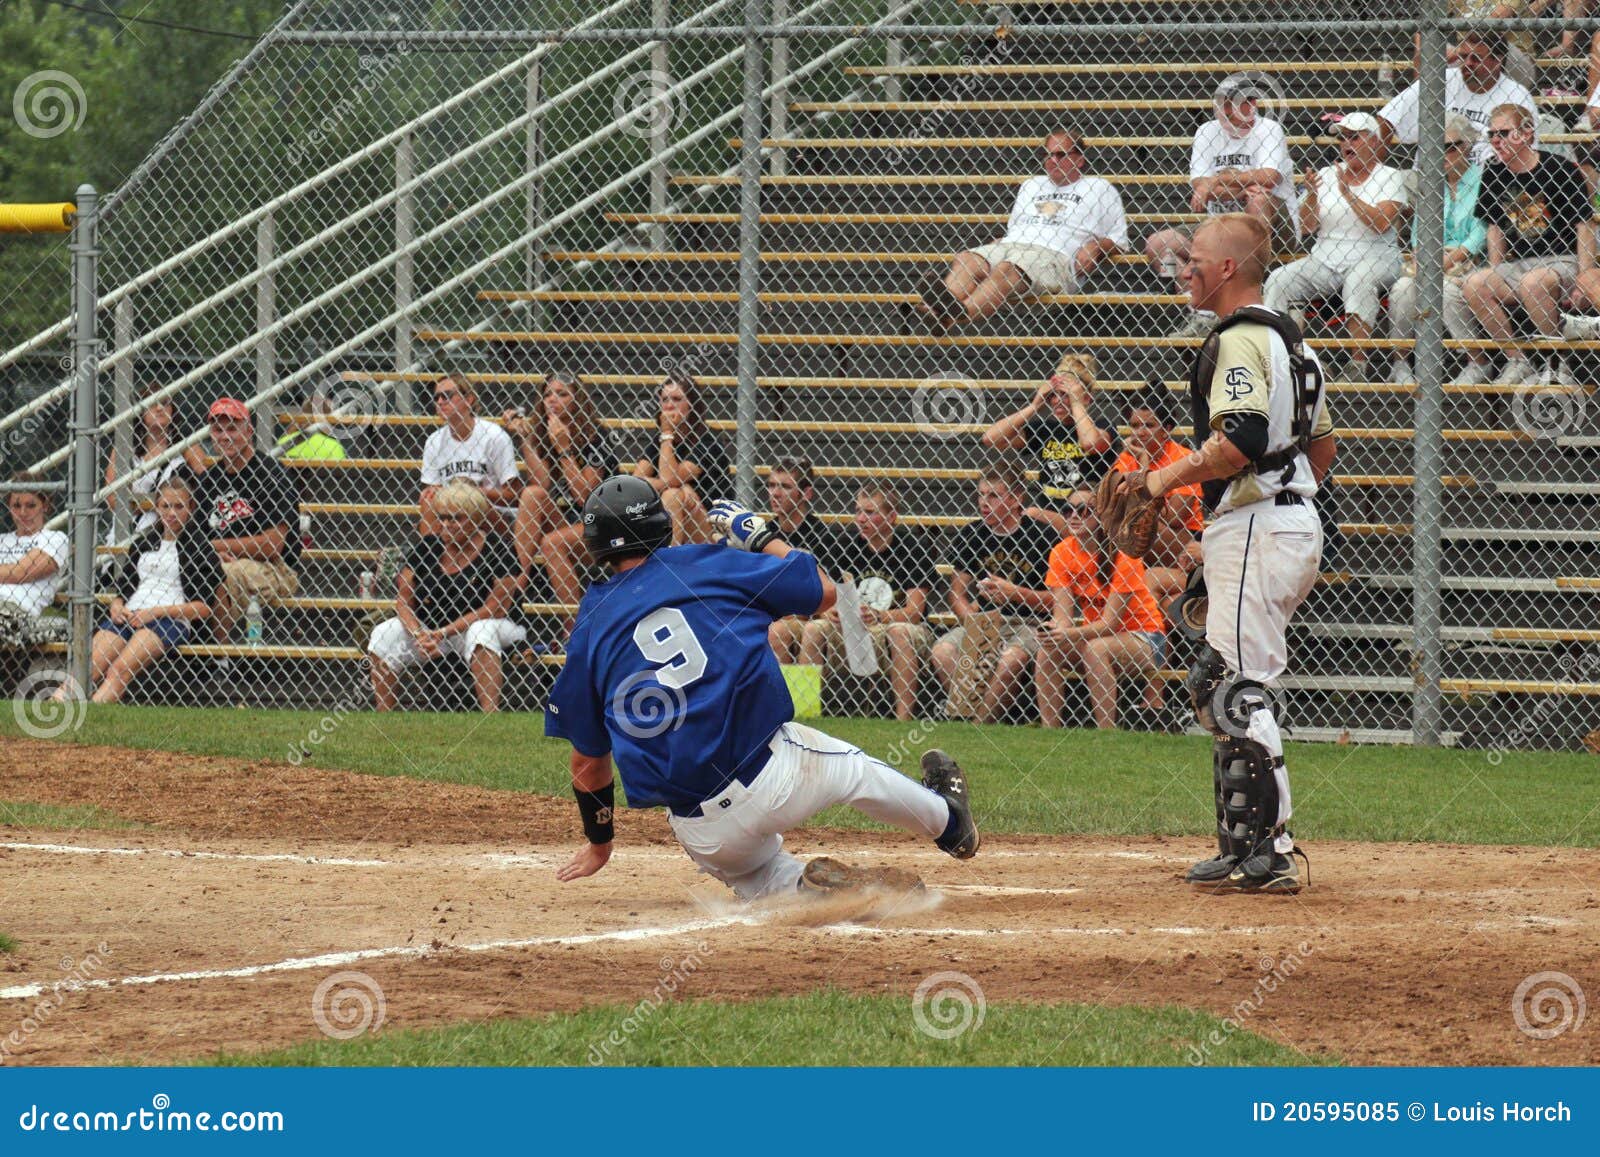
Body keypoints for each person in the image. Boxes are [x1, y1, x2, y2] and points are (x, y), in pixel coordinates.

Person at [544, 474, 979, 900]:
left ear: (596, 542)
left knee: (754, 875)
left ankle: (797, 888)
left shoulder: (590, 625)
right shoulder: (704, 563)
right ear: (661, 524)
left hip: (701, 831)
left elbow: (588, 763)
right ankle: (949, 823)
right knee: (855, 771)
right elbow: (826, 594)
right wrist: (760, 535)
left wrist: (599, 843)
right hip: (773, 775)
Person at [1138, 212, 1335, 895]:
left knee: (1237, 685)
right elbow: (1323, 447)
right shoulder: (1295, 342)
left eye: (1195, 258)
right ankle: (1241, 842)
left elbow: (1242, 437)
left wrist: (1162, 479)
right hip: (1276, 519)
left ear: (1227, 269)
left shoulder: (1241, 338)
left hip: (1260, 523)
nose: (1184, 268)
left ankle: (1272, 851)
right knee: (1213, 681)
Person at [916, 130, 1128, 331]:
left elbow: (1119, 240)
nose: (1053, 160)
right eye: (1047, 155)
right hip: (1014, 245)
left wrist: (1098, 246)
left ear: (1080, 160)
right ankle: (938, 313)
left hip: (1055, 256)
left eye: (1061, 154)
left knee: (1007, 270)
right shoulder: (1030, 185)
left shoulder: (1100, 187)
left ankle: (953, 315)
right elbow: (1016, 227)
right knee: (967, 258)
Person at [1145, 77, 1298, 339]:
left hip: (1272, 228)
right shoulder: (1207, 131)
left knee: (1258, 197)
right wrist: (1238, 182)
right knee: (1160, 244)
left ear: (1252, 104)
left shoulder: (1269, 129)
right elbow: (1199, 184)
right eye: (1221, 106)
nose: (1224, 114)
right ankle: (1202, 312)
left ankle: (1249, 297)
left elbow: (1269, 178)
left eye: (1231, 106)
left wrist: (1217, 181)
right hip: (1218, 226)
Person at [1264, 112, 1409, 383]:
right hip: (1326, 258)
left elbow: (1380, 223)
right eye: (1343, 138)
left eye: (1355, 137)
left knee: (1359, 279)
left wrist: (1348, 194)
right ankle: (1285, 360)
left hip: (1377, 255)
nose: (1346, 144)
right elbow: (1307, 226)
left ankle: (1357, 364)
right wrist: (1313, 196)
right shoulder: (1326, 174)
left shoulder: (1389, 176)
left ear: (1375, 142)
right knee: (1279, 279)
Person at [367, 481, 527, 713]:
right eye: (442, 518)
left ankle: (491, 715)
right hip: (431, 631)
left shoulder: (498, 548)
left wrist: (442, 633)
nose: (446, 525)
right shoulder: (428, 546)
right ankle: (383, 713)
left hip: (493, 627)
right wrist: (419, 633)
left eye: (456, 518)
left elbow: (495, 608)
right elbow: (403, 599)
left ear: (475, 519)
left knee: (481, 631)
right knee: (384, 632)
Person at [1462, 103, 1594, 385]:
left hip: (1562, 258)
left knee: (1533, 282)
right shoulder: (1494, 172)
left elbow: (1584, 225)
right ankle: (1517, 359)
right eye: (1492, 134)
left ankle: (1557, 364)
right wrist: (1496, 271)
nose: (1496, 141)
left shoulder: (1559, 169)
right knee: (1475, 283)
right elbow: (1495, 228)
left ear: (1527, 133)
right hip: (1520, 263)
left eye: (1504, 133)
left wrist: (1584, 275)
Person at [929, 467, 1061, 724]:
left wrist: (1016, 594)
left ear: (1015, 499)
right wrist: (972, 620)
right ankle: (970, 716)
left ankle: (978, 723)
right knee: (943, 651)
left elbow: (1058, 600)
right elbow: (956, 593)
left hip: (1029, 623)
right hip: (985, 620)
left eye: (994, 496)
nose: (984, 503)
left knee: (1012, 657)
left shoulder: (1042, 535)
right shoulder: (972, 534)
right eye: (981, 495)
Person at [797, 483, 936, 721]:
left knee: (899, 632)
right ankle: (803, 712)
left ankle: (903, 719)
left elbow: (915, 612)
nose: (861, 519)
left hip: (895, 627)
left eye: (870, 512)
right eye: (858, 511)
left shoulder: (914, 548)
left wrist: (881, 616)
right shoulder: (844, 545)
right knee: (812, 629)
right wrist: (829, 612)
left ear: (891, 516)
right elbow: (824, 596)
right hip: (851, 627)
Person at [1035, 489, 1169, 730]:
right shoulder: (1061, 552)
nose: (1074, 516)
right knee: (1049, 649)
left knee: (1095, 649)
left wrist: (1068, 634)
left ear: (1102, 516)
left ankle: (1106, 731)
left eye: (1083, 511)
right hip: (1096, 637)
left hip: (1145, 638)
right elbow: (1062, 618)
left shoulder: (1124, 553)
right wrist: (1052, 632)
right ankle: (1049, 730)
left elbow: (1111, 624)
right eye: (1068, 510)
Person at [80, 477, 221, 705]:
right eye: (166, 506)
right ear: (157, 507)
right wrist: (116, 607)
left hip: (166, 620)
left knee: (119, 669)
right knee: (87, 669)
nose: (171, 513)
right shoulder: (144, 542)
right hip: (131, 614)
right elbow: (123, 589)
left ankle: (87, 720)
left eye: (179, 506)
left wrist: (155, 612)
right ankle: (52, 721)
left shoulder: (200, 548)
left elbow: (203, 608)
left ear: (191, 509)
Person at [1386, 116, 1489, 384]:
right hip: (1433, 256)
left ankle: (1477, 361)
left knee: (1448, 292)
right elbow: (1420, 231)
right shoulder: (1432, 184)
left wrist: (1451, 258)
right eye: (1436, 146)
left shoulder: (1484, 180)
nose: (1443, 154)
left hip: (1471, 258)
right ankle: (1400, 364)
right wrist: (1425, 259)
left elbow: (1481, 231)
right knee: (1402, 290)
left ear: (1467, 146)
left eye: (1451, 146)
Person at [189, 399, 301, 645]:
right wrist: (211, 553)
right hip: (218, 559)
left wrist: (215, 549)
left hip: (274, 567)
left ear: (249, 431)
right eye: (218, 430)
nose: (225, 436)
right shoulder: (209, 479)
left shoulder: (272, 474)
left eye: (232, 428)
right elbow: (192, 537)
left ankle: (218, 655)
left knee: (226, 571)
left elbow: (272, 545)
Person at [504, 371, 617, 613]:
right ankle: (516, 584)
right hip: (565, 520)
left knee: (552, 543)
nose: (552, 400)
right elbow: (541, 484)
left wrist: (564, 449)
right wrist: (526, 440)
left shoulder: (596, 437)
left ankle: (573, 627)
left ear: (577, 402)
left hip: (601, 524)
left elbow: (585, 497)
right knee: (532, 495)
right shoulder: (545, 433)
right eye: (547, 395)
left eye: (562, 394)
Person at [981, 351, 1116, 522]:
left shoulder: (1102, 426)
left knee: (1032, 514)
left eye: (1065, 395)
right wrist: (1034, 405)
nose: (1057, 401)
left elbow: (1091, 444)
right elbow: (991, 438)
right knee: (1031, 516)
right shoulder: (1046, 429)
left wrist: (1076, 402)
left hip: (1086, 516)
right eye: (1053, 394)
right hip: (1050, 514)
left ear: (1086, 398)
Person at [1379, 30, 1537, 165]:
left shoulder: (1517, 95)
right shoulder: (1440, 81)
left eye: (1476, 58)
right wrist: (1375, 170)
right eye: (1463, 56)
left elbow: (1529, 150)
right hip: (1432, 181)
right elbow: (1386, 119)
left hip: (1487, 183)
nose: (1467, 63)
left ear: (1497, 60)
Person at [1113, 383, 1205, 616]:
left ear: (1166, 429)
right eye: (1135, 425)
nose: (1140, 432)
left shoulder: (1184, 458)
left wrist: (1143, 468)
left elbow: (1175, 517)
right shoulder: (1125, 458)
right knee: (1166, 603)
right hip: (1139, 548)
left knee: (1142, 521)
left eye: (1149, 425)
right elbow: (1115, 507)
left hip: (1182, 546)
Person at [632, 372, 732, 544]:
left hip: (714, 530)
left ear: (692, 404)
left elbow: (670, 477)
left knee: (672, 495)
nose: (670, 406)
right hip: (674, 519)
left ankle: (669, 561)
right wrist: (673, 485)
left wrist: (667, 434)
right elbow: (635, 483)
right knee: (676, 492)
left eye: (677, 399)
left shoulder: (708, 438)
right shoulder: (659, 439)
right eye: (665, 400)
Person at [102, 384, 207, 545]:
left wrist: (144, 503)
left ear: (173, 410)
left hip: (172, 530)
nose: (159, 408)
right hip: (129, 528)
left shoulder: (185, 444)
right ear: (141, 411)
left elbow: (207, 484)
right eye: (152, 403)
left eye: (165, 403)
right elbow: (113, 500)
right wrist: (167, 504)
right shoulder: (125, 447)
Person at [418, 374, 521, 537]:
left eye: (447, 396)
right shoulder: (434, 441)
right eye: (436, 397)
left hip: (491, 512)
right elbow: (434, 490)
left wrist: (473, 492)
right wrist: (434, 493)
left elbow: (513, 495)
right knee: (428, 500)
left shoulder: (493, 435)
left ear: (469, 399)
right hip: (450, 512)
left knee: (470, 500)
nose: (440, 402)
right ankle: (429, 557)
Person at [764, 458, 834, 665]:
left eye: (785, 487)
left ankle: (800, 699)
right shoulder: (764, 535)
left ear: (806, 493)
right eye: (771, 485)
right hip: (776, 615)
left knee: (779, 631)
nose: (775, 493)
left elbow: (830, 600)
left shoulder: (824, 537)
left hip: (810, 618)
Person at [0, 474, 69, 656]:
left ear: (45, 506)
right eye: (16, 505)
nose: (23, 513)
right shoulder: (2, 540)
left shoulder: (55, 539)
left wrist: (11, 571)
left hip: (15, 613)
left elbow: (22, 572)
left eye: (31, 505)